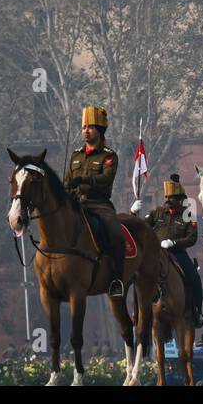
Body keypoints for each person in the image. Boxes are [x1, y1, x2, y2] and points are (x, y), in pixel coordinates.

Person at [64, 105, 125, 297]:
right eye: (84, 127)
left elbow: (105, 179)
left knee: (114, 232)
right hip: (75, 203)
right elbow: (67, 181)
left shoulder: (108, 155)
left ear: (100, 131)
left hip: (98, 204)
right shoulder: (76, 155)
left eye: (90, 127)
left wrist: (83, 180)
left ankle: (116, 278)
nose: (86, 131)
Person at [136, 173, 203, 328]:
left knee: (195, 278)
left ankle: (196, 312)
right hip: (157, 254)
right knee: (138, 276)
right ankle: (137, 313)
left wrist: (174, 242)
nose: (168, 200)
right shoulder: (157, 213)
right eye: (167, 197)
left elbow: (192, 238)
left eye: (172, 198)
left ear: (180, 200)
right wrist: (134, 213)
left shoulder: (188, 215)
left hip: (177, 253)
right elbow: (142, 227)